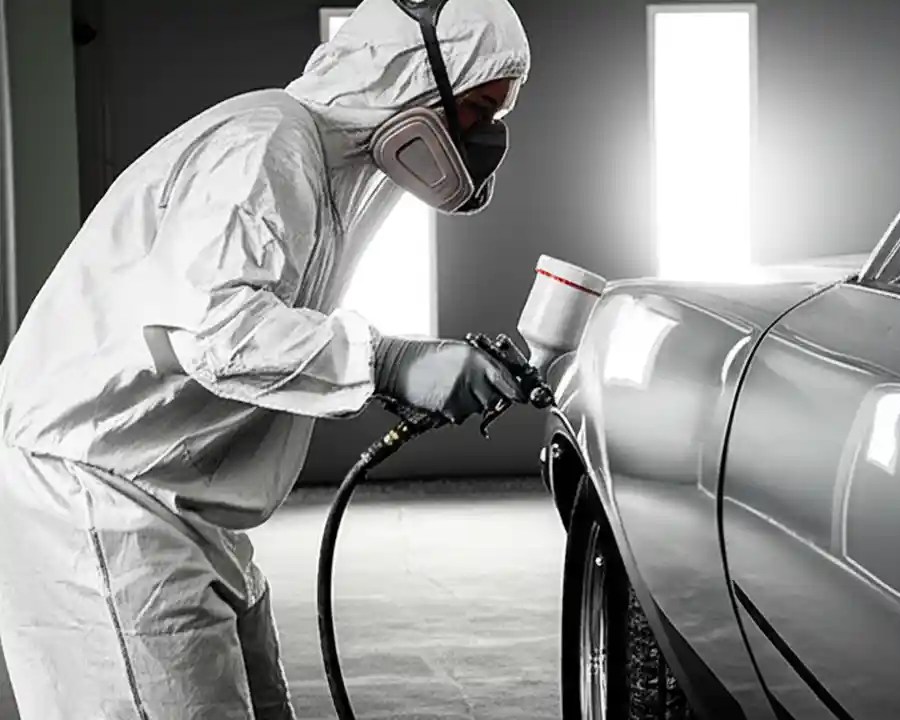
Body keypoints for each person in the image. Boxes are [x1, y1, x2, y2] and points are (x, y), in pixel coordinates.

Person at [0, 0, 530, 717]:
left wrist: (391, 374)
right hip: (100, 490)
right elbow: (215, 331)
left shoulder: (335, 165)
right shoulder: (266, 143)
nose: (483, 136)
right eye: (477, 109)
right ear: (417, 74)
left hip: (180, 493)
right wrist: (388, 362)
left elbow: (260, 321)